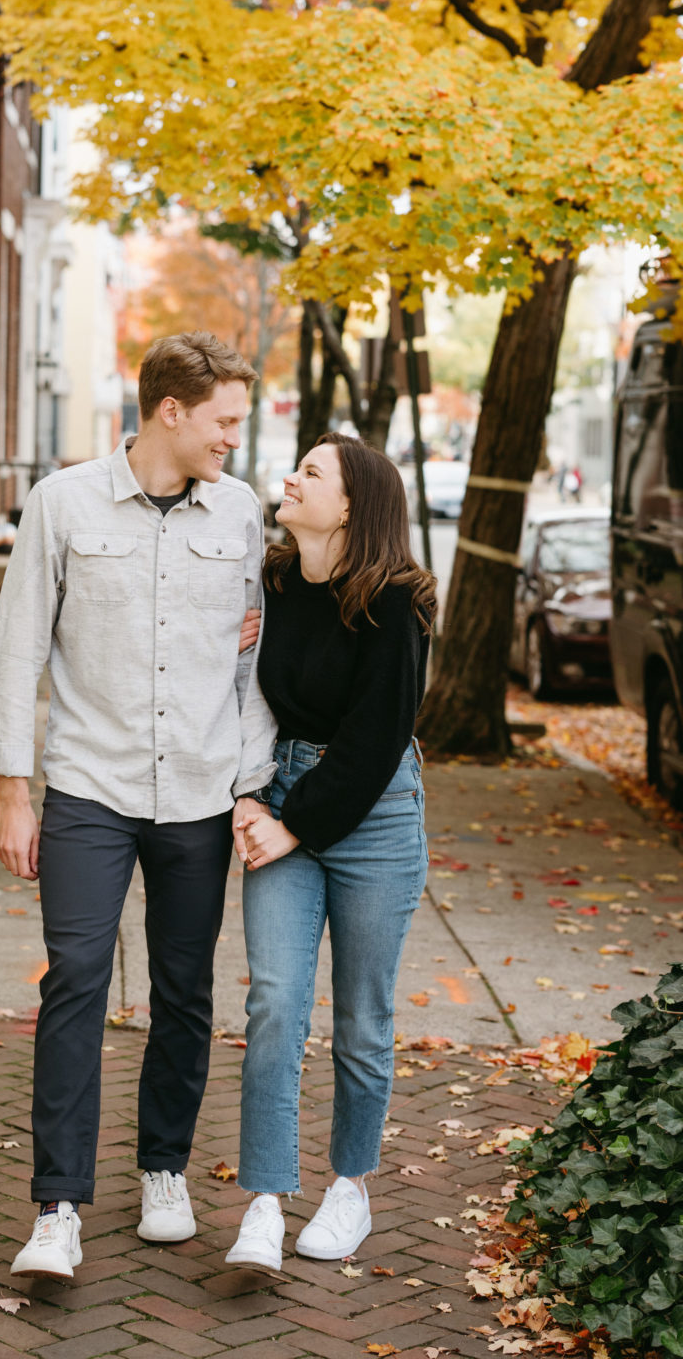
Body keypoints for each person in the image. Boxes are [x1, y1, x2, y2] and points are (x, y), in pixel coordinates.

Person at [0, 331, 276, 1282]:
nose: (233, 437)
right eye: (223, 419)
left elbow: (252, 671)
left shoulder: (240, 513)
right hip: (88, 787)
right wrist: (13, 793)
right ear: (170, 412)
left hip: (198, 792)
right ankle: (56, 1206)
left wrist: (250, 789)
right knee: (75, 980)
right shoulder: (62, 503)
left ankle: (163, 1171)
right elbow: (17, 651)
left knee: (184, 990)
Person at [224, 433, 436, 1278]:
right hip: (283, 796)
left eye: (310, 472)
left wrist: (294, 826)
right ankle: (264, 1201)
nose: (289, 477)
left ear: (350, 506)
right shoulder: (274, 583)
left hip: (374, 814)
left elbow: (376, 737)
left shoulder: (396, 602)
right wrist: (249, 793)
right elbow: (245, 698)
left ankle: (350, 1186)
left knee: (361, 1017)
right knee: (275, 1002)